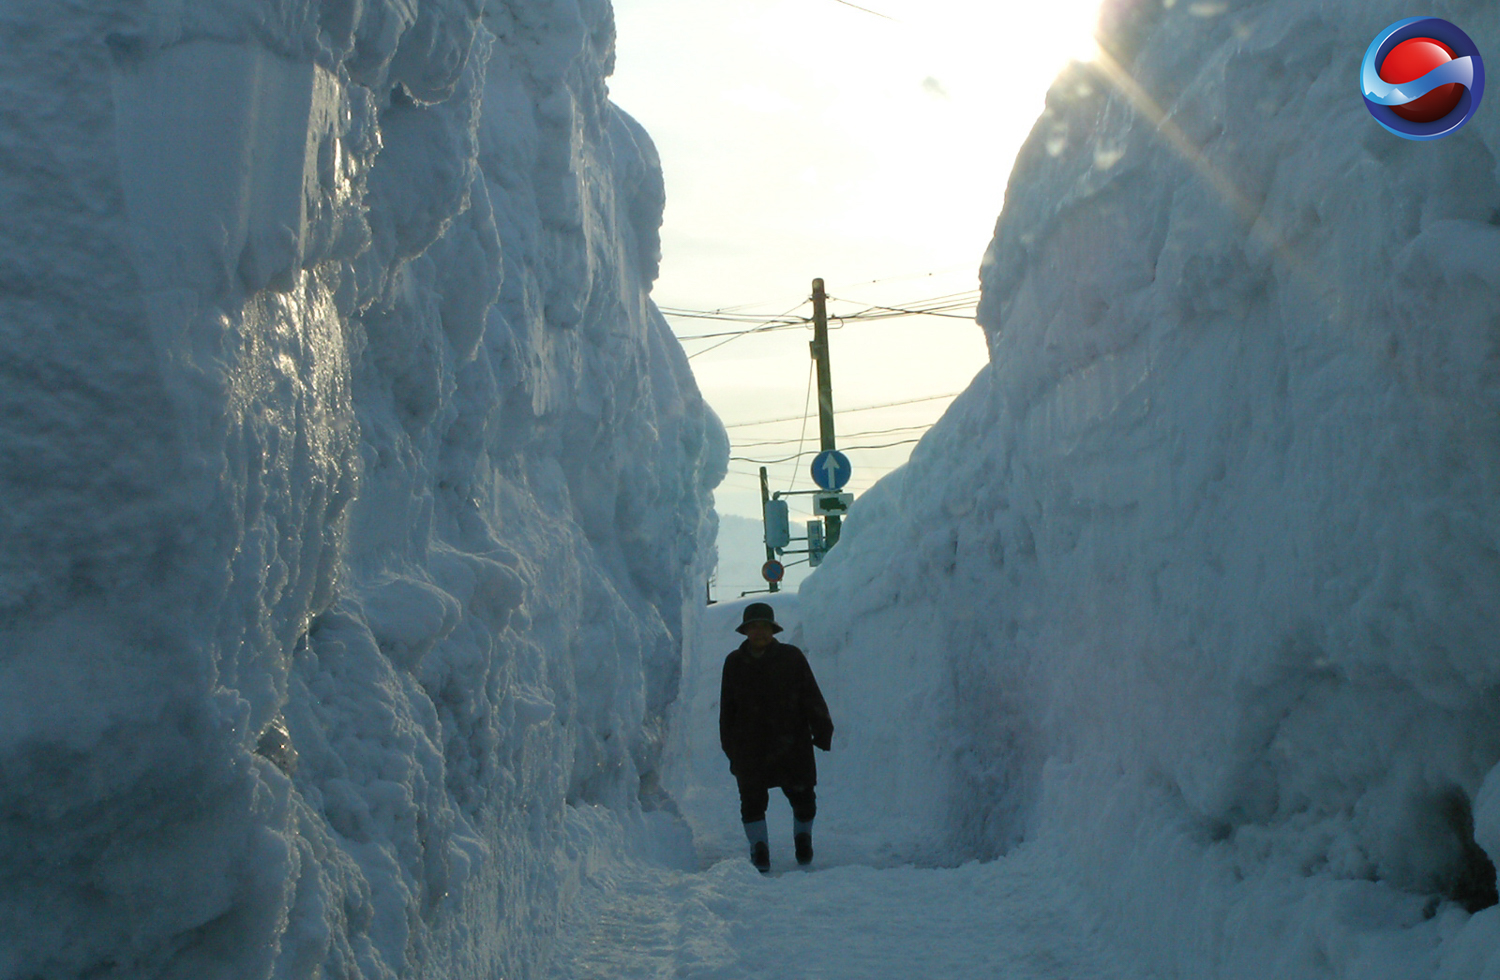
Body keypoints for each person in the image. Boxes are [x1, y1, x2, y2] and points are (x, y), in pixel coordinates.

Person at [719, 602, 834, 873]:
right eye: (753, 626)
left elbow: (811, 694)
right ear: (746, 631)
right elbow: (727, 710)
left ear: (773, 629)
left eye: (764, 626)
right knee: (752, 801)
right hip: (750, 745)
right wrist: (731, 748)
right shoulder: (734, 663)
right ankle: (759, 850)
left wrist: (822, 728)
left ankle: (803, 839)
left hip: (792, 740)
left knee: (803, 796)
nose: (759, 631)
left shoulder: (791, 657)